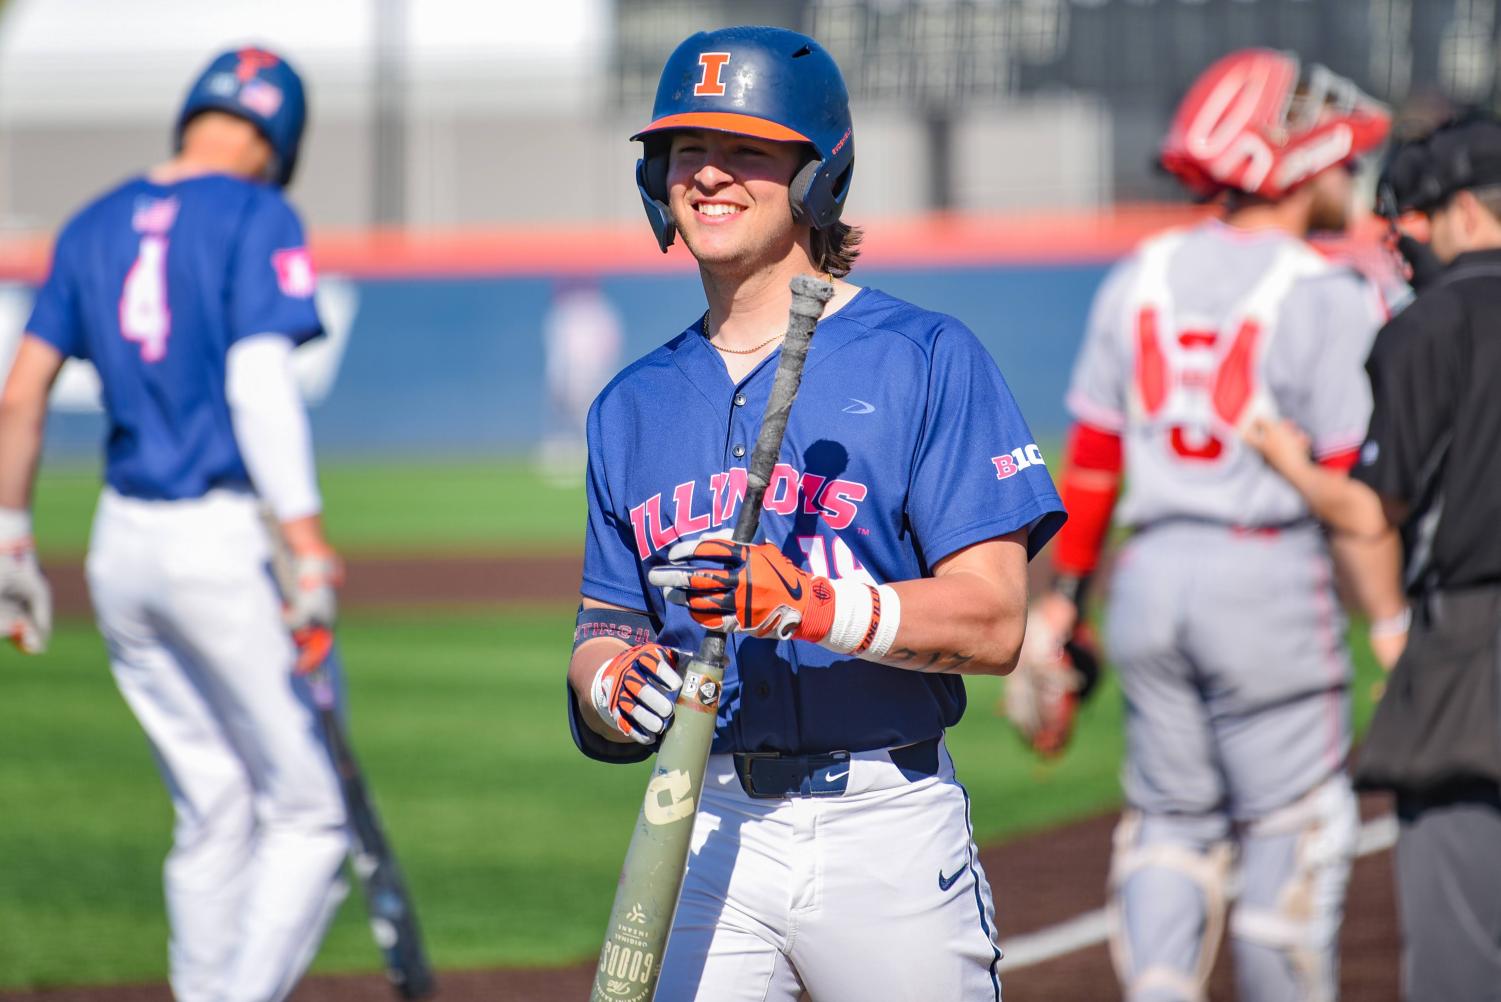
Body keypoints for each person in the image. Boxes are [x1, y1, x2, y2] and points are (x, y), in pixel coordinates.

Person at [563, 26, 1064, 1001]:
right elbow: (603, 626)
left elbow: (995, 621)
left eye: (746, 149)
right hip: (703, 826)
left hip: (884, 824)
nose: (707, 174)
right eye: (685, 150)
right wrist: (607, 682)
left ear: (815, 174)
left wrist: (812, 606)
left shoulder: (924, 357)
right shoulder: (628, 406)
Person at [1011, 49, 1405, 1001]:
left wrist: (1064, 604)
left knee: (1168, 823)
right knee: (1291, 824)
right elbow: (1354, 494)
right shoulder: (1327, 291)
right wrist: (1389, 622)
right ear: (1289, 160)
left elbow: (1095, 459)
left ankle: (1157, 986)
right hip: (1264, 573)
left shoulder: (1139, 272)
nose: (1343, 173)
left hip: (1151, 575)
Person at [0, 47, 348, 1002]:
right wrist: (307, 536)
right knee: (314, 818)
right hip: (223, 540)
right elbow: (256, 381)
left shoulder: (92, 222)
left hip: (121, 547)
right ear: (279, 142)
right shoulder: (256, 211)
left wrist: (10, 542)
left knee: (212, 809)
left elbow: (19, 398)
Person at [1247, 114, 1501, 1002]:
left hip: (1472, 653)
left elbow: (1369, 509)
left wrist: (1289, 465)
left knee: (1461, 949)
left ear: (1464, 210)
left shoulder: (1425, 326)